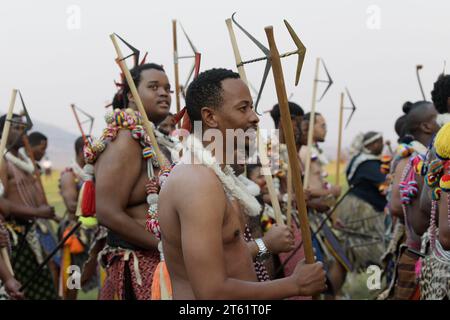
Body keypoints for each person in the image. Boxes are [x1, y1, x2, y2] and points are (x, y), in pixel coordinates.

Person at [158, 68, 326, 299]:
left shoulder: (218, 176)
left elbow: (230, 254)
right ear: (210, 117)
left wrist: (266, 245)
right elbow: (211, 292)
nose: (255, 117)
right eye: (243, 108)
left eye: (252, 107)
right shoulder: (197, 182)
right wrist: (295, 285)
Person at [87, 63, 172, 300]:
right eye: (153, 87)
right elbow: (107, 212)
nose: (164, 93)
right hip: (138, 266)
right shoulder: (125, 139)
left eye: (167, 88)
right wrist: (165, 247)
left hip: (161, 260)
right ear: (131, 96)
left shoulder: (153, 140)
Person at [0, 114, 57, 299]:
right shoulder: (2, 161)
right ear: (3, 132)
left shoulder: (27, 162)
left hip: (31, 233)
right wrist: (37, 212)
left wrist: (45, 211)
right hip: (12, 238)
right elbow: (2, 203)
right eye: (16, 127)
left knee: (45, 289)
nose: (22, 131)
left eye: (23, 127)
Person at [388, 101, 439, 299]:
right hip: (421, 257)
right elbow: (395, 206)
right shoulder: (415, 160)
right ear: (427, 126)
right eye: (439, 117)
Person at [336, 132, 387, 273]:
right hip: (362, 211)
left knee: (351, 250)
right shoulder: (368, 164)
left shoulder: (359, 160)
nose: (382, 145)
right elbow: (384, 186)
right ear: (371, 145)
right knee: (373, 252)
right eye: (379, 142)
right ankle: (374, 286)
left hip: (356, 206)